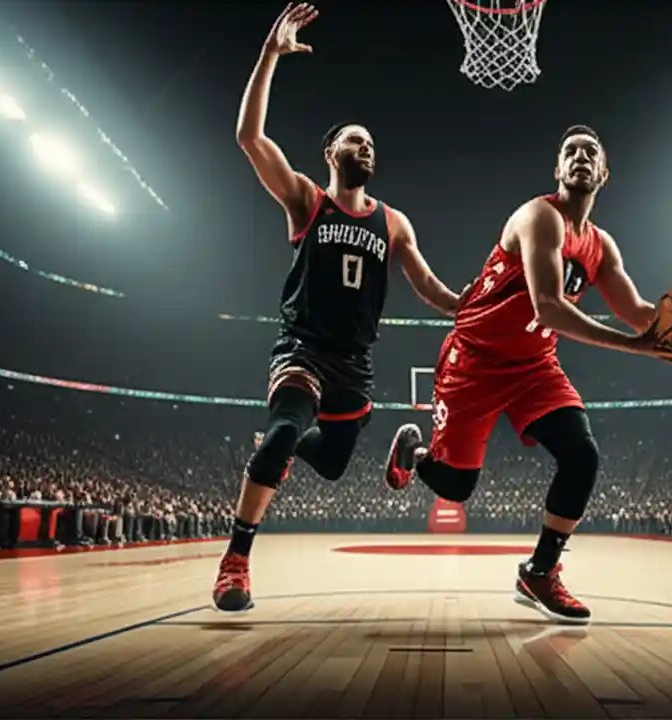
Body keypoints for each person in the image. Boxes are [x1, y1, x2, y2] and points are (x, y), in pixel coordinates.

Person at [212, 2, 460, 612]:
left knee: (327, 464)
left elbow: (429, 286)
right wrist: (271, 54)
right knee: (279, 436)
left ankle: (316, 442)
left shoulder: (394, 222)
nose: (366, 146)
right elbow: (249, 137)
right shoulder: (307, 201)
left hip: (355, 367)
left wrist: (474, 308)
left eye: (371, 142)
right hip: (303, 351)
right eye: (355, 139)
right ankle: (236, 560)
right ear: (331, 152)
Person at [382, 125, 672, 623]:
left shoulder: (601, 247)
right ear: (558, 170)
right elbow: (548, 306)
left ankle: (540, 571)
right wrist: (636, 347)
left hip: (534, 365)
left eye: (591, 152)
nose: (580, 157)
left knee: (581, 455)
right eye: (570, 151)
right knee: (456, 488)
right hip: (474, 360)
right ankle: (415, 453)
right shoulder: (539, 216)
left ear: (604, 174)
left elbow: (635, 310)